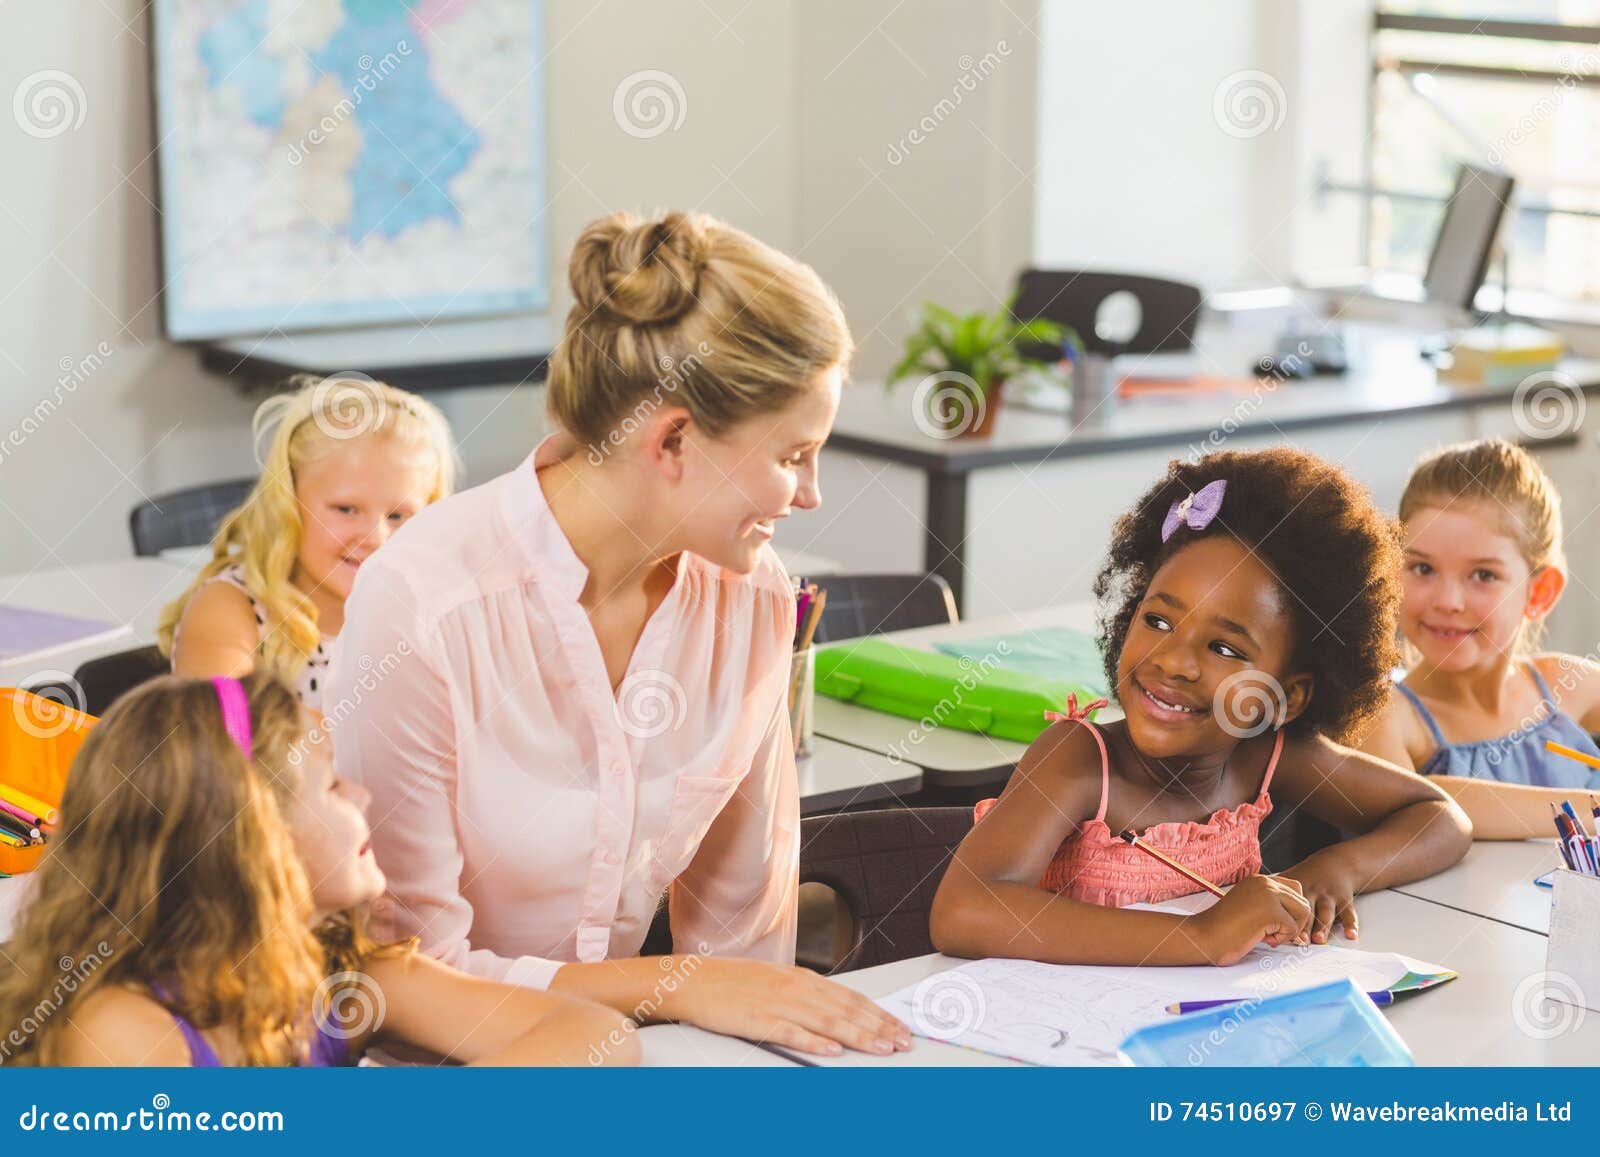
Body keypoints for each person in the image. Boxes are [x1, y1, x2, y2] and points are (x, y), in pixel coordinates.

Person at [328, 209, 910, 1058]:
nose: (811, 492)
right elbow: (407, 973)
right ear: (672, 438)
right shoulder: (421, 604)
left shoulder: (751, 597)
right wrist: (686, 988)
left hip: (641, 1062)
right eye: (792, 455)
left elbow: (745, 932)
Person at [930, 448, 1471, 967]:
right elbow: (964, 912)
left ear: (1288, 696)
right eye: (1158, 621)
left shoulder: (1264, 755)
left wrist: (1336, 868)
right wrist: (1200, 934)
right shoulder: (1080, 761)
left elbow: (1441, 820)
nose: (1174, 662)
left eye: (1225, 650)